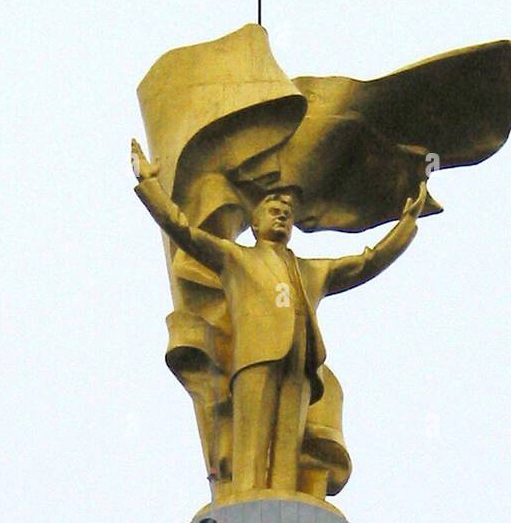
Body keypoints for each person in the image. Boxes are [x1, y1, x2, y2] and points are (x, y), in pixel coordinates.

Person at [132, 139, 427, 496]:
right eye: (273, 208)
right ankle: (245, 503)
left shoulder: (310, 270)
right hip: (255, 357)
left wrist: (406, 226)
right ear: (254, 222)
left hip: (299, 363)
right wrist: (149, 185)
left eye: (287, 210)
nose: (282, 213)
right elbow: (184, 231)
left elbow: (367, 262)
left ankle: (284, 503)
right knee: (252, 447)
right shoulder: (235, 259)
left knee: (288, 451)